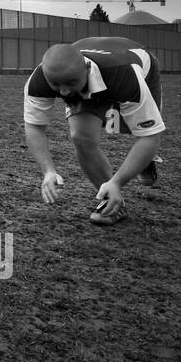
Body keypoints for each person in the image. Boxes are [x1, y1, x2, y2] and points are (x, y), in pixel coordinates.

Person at [23, 36, 164, 225]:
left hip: (134, 65)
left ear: (87, 69)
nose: (63, 92)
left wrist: (118, 181)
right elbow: (34, 126)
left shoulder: (124, 74)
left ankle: (145, 161)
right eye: (56, 85)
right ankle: (113, 203)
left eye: (70, 83)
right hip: (90, 77)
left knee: (141, 131)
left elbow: (151, 136)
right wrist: (48, 171)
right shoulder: (41, 79)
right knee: (81, 137)